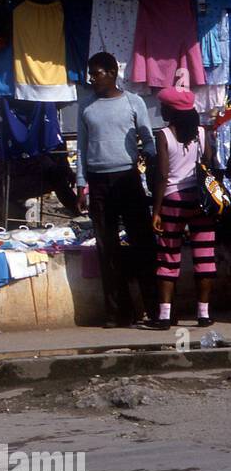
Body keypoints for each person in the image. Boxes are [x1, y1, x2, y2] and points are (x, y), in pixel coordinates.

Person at [77, 51, 160, 328]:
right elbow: (81, 147)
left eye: (96, 73)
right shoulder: (87, 107)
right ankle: (117, 312)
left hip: (127, 178)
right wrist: (80, 184)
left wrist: (147, 153)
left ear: (112, 73)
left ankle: (155, 308)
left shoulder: (133, 102)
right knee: (106, 247)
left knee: (143, 243)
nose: (92, 79)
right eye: (90, 74)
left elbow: (147, 138)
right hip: (98, 181)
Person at [150, 87, 217, 330]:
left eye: (163, 106)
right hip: (200, 201)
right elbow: (208, 163)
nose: (160, 109)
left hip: (173, 200)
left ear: (171, 110)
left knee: (168, 256)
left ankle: (165, 316)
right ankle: (203, 313)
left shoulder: (164, 135)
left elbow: (163, 174)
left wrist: (156, 210)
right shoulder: (201, 132)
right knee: (205, 256)